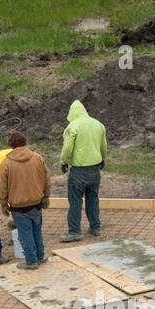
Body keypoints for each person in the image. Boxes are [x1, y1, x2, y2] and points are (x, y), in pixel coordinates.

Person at [0, 131, 50, 269]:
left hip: (18, 206)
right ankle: (40, 256)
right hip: (36, 203)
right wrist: (46, 197)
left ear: (11, 145)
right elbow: (47, 179)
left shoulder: (6, 163)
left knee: (25, 233)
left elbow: (2, 188)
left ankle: (31, 261)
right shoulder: (37, 158)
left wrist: (3, 205)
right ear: (25, 142)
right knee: (36, 230)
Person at [58, 100, 107, 243]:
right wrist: (102, 158)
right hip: (95, 168)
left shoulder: (73, 126)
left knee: (75, 200)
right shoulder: (98, 124)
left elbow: (67, 148)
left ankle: (74, 231)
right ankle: (95, 227)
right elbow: (103, 145)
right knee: (93, 198)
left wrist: (63, 162)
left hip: (79, 170)